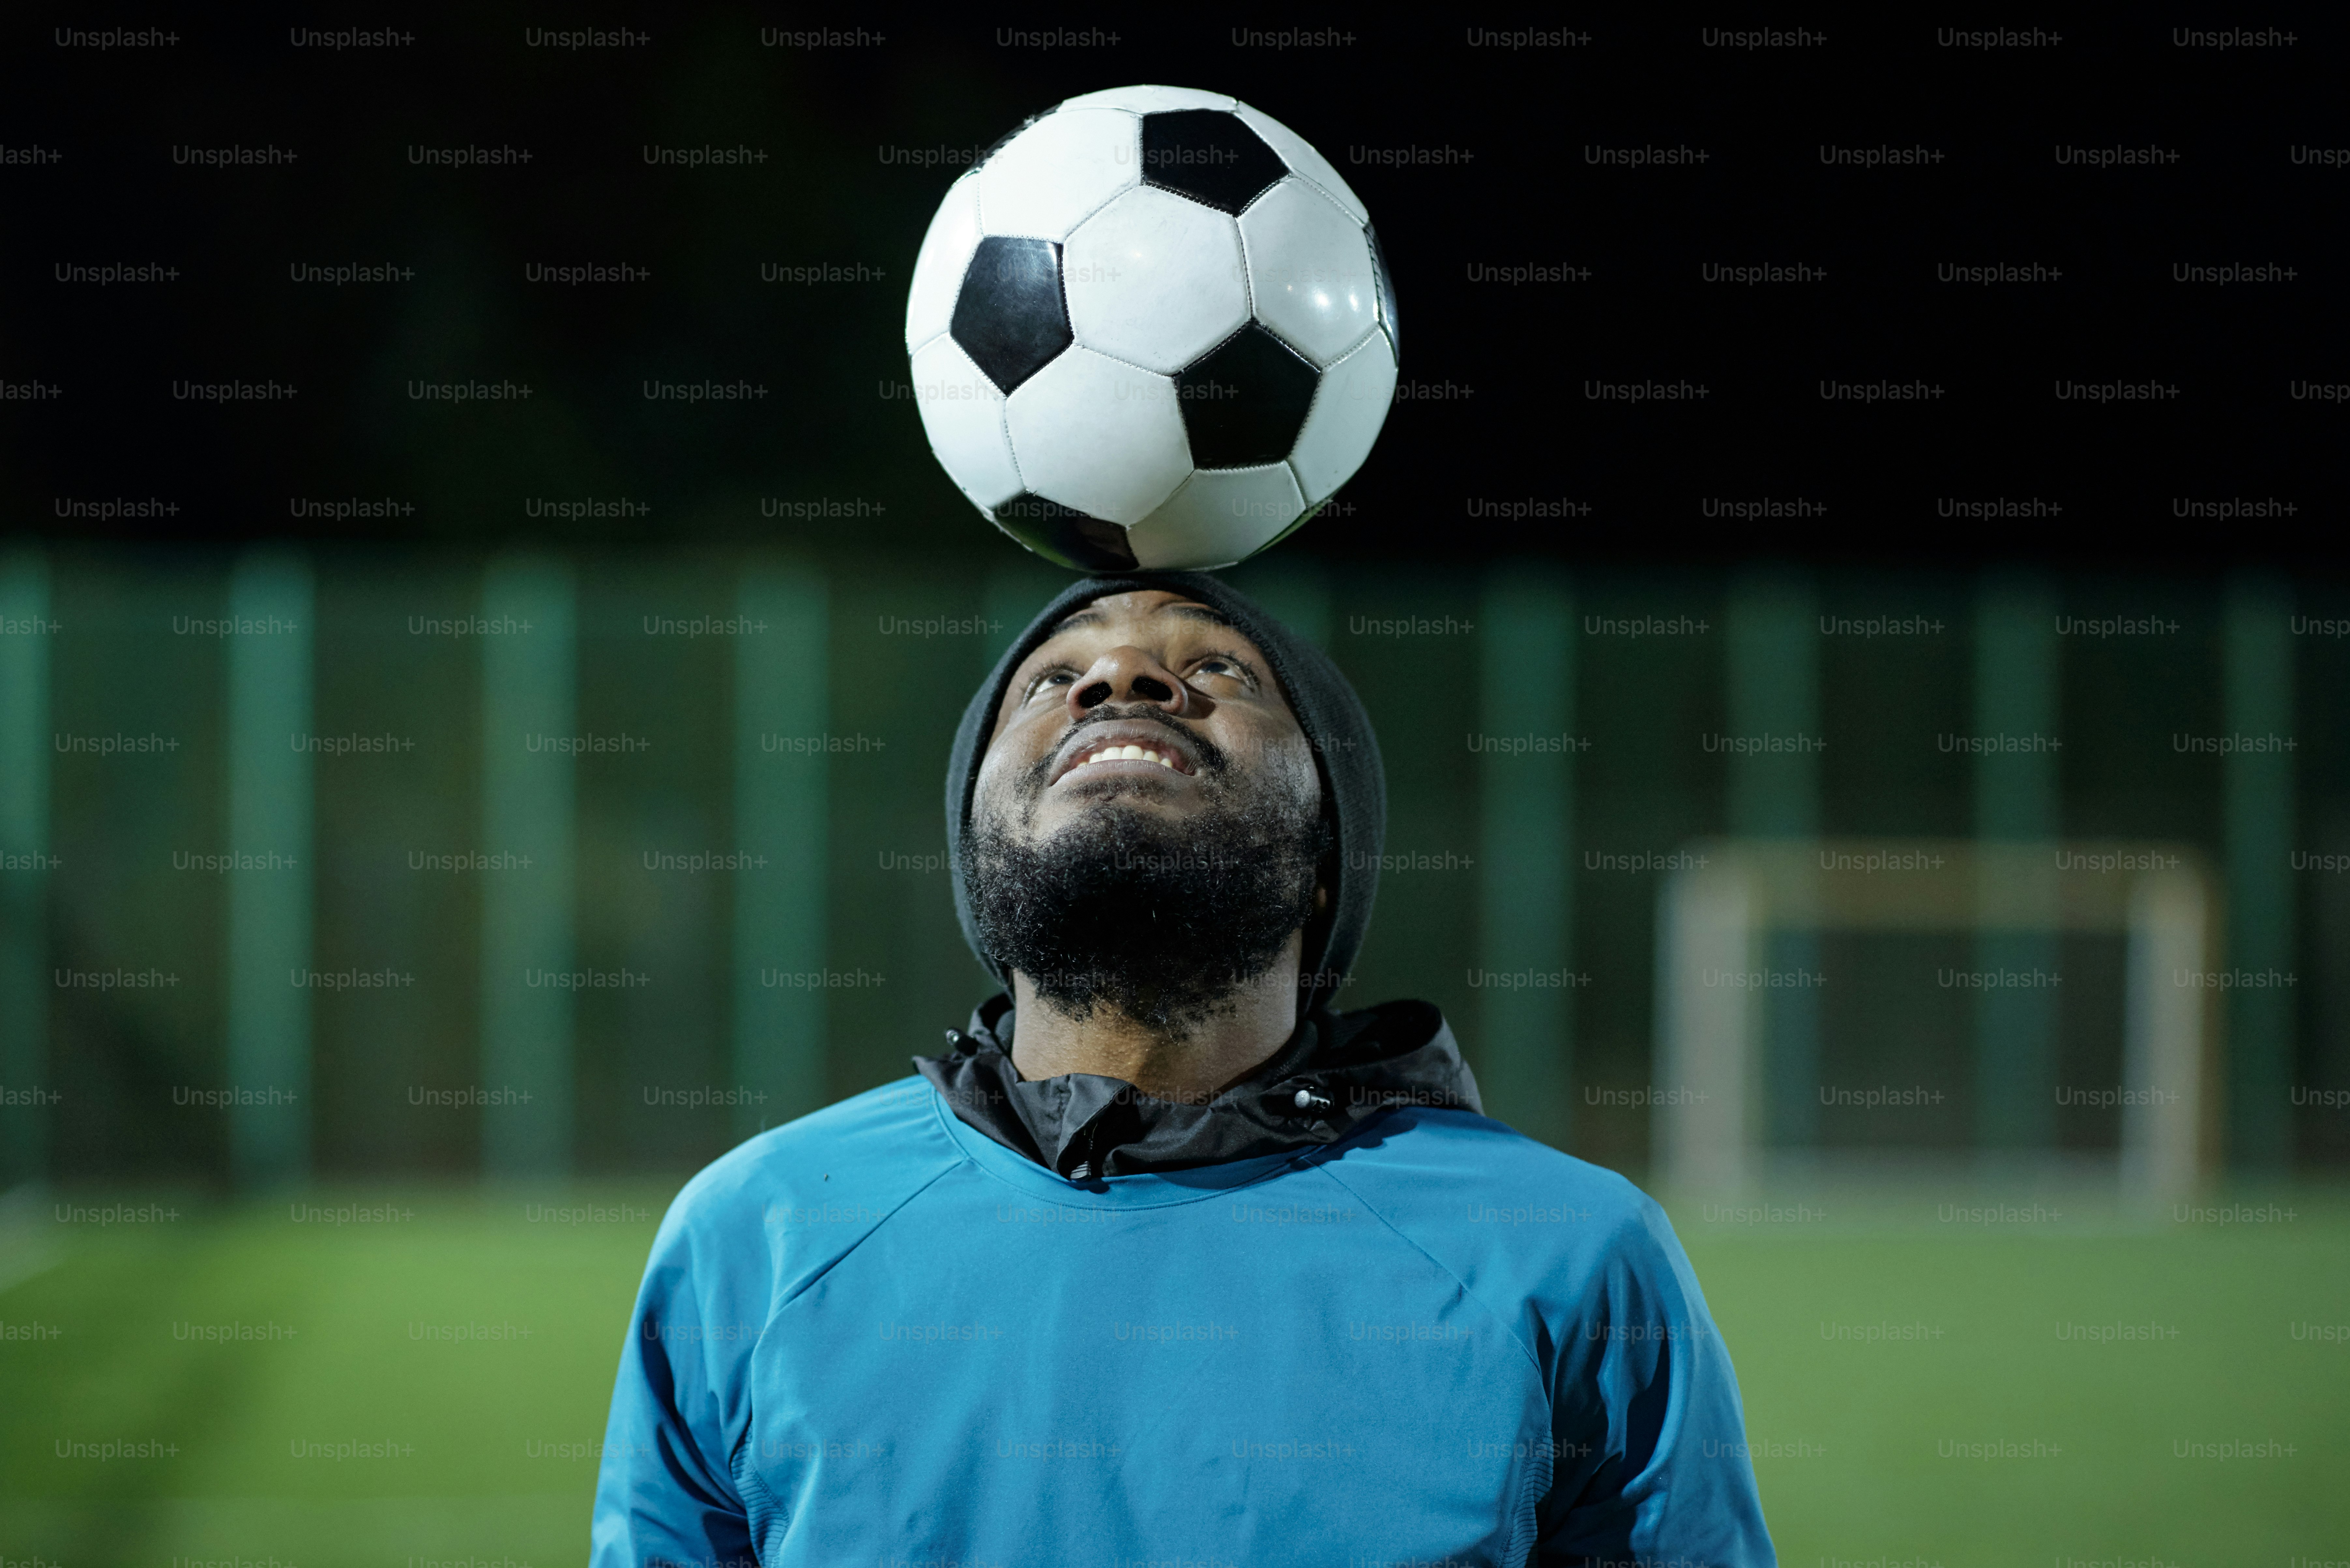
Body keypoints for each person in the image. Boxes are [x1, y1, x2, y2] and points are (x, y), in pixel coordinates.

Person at [592, 572, 1776, 1567]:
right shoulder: (759, 1232)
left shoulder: (1568, 1253)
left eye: (1218, 670)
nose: (1120, 677)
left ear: (1328, 857)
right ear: (975, 849)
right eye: (1052, 680)